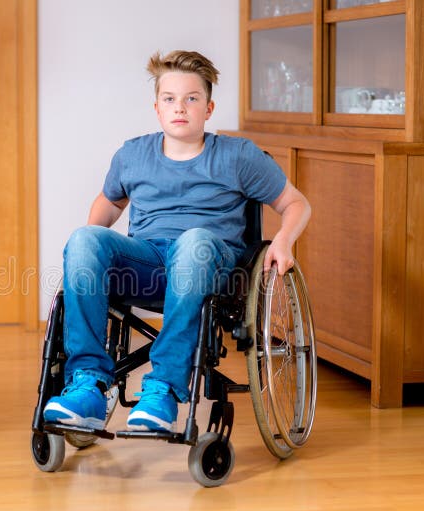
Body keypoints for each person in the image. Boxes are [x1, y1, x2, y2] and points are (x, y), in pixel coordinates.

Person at [43, 50, 311, 432]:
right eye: (170, 99)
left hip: (211, 265)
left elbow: (295, 203)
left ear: (208, 107)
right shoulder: (132, 154)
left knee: (194, 242)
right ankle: (87, 384)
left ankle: (163, 389)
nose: (179, 108)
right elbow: (109, 201)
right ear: (157, 108)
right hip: (149, 264)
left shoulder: (238, 156)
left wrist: (283, 242)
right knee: (84, 239)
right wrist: (92, 246)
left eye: (191, 98)